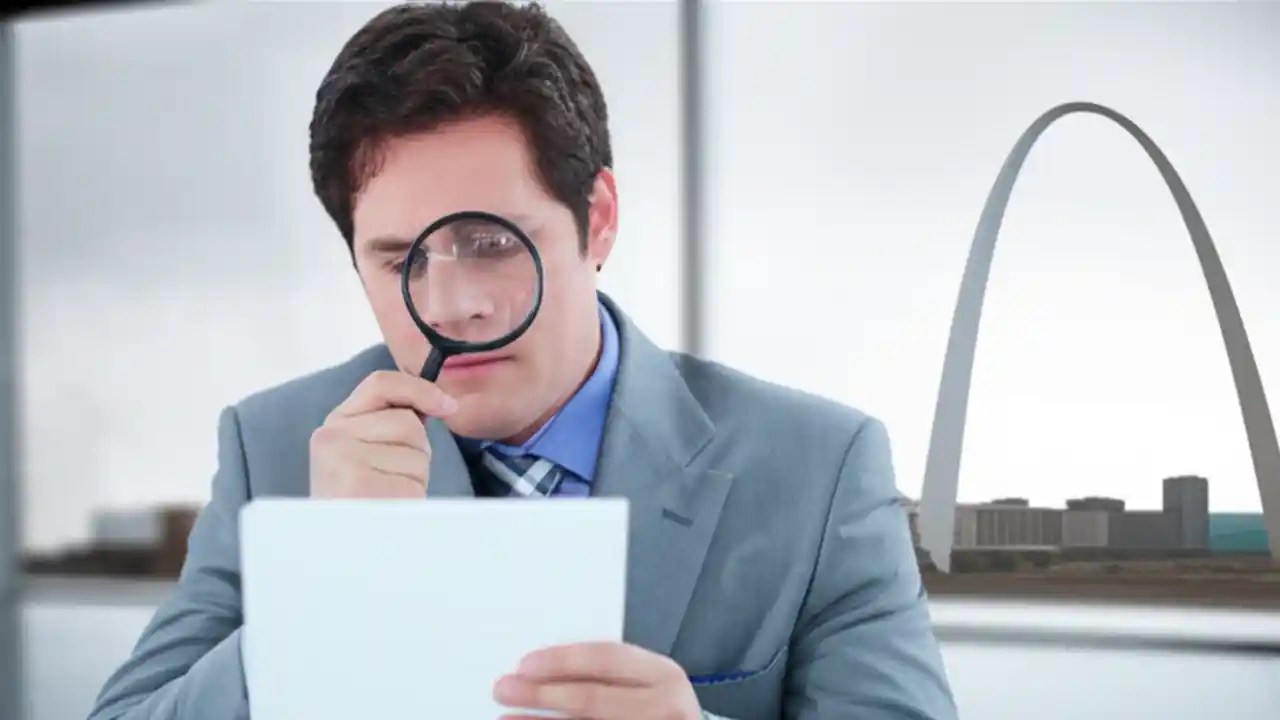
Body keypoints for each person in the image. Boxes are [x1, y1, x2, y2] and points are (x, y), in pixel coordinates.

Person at [88, 2, 957, 719]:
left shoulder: (820, 469)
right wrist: (322, 585)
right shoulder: (274, 446)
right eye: (401, 260)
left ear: (600, 219)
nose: (455, 302)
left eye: (491, 242)